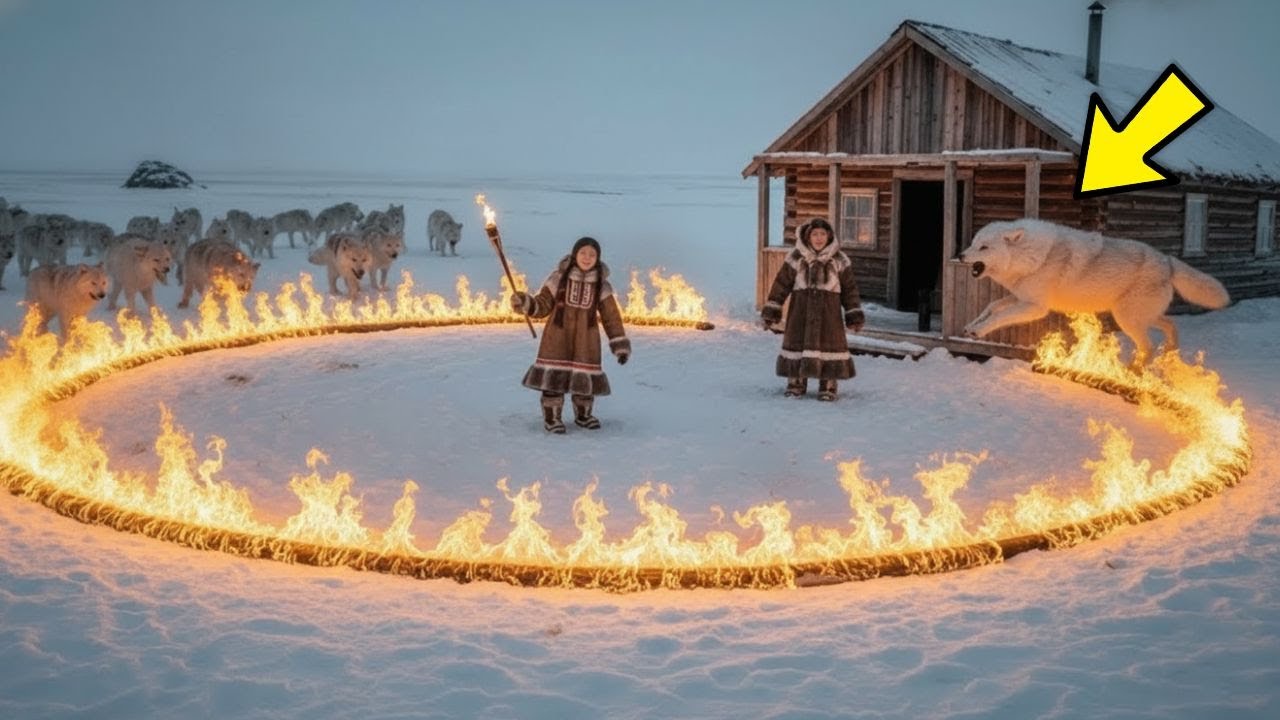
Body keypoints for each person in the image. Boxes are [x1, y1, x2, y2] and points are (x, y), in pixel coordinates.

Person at [511, 236, 631, 433]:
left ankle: (583, 416)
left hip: (587, 341)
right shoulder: (557, 279)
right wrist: (525, 302)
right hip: (557, 339)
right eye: (583, 253)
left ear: (598, 258)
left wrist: (620, 346)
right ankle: (552, 418)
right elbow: (542, 305)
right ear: (575, 254)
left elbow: (612, 318)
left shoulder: (601, 286)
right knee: (553, 382)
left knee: (584, 382)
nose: (587, 257)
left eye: (592, 254)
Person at [760, 217, 864, 401]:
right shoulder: (796, 258)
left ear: (829, 236)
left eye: (823, 234)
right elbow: (781, 284)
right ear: (808, 236)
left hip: (829, 313)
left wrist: (853, 314)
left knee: (829, 345)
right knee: (798, 342)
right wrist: (772, 309)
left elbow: (850, 290)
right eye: (815, 234)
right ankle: (796, 384)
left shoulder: (839, 260)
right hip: (800, 311)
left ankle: (828, 386)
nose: (819, 238)